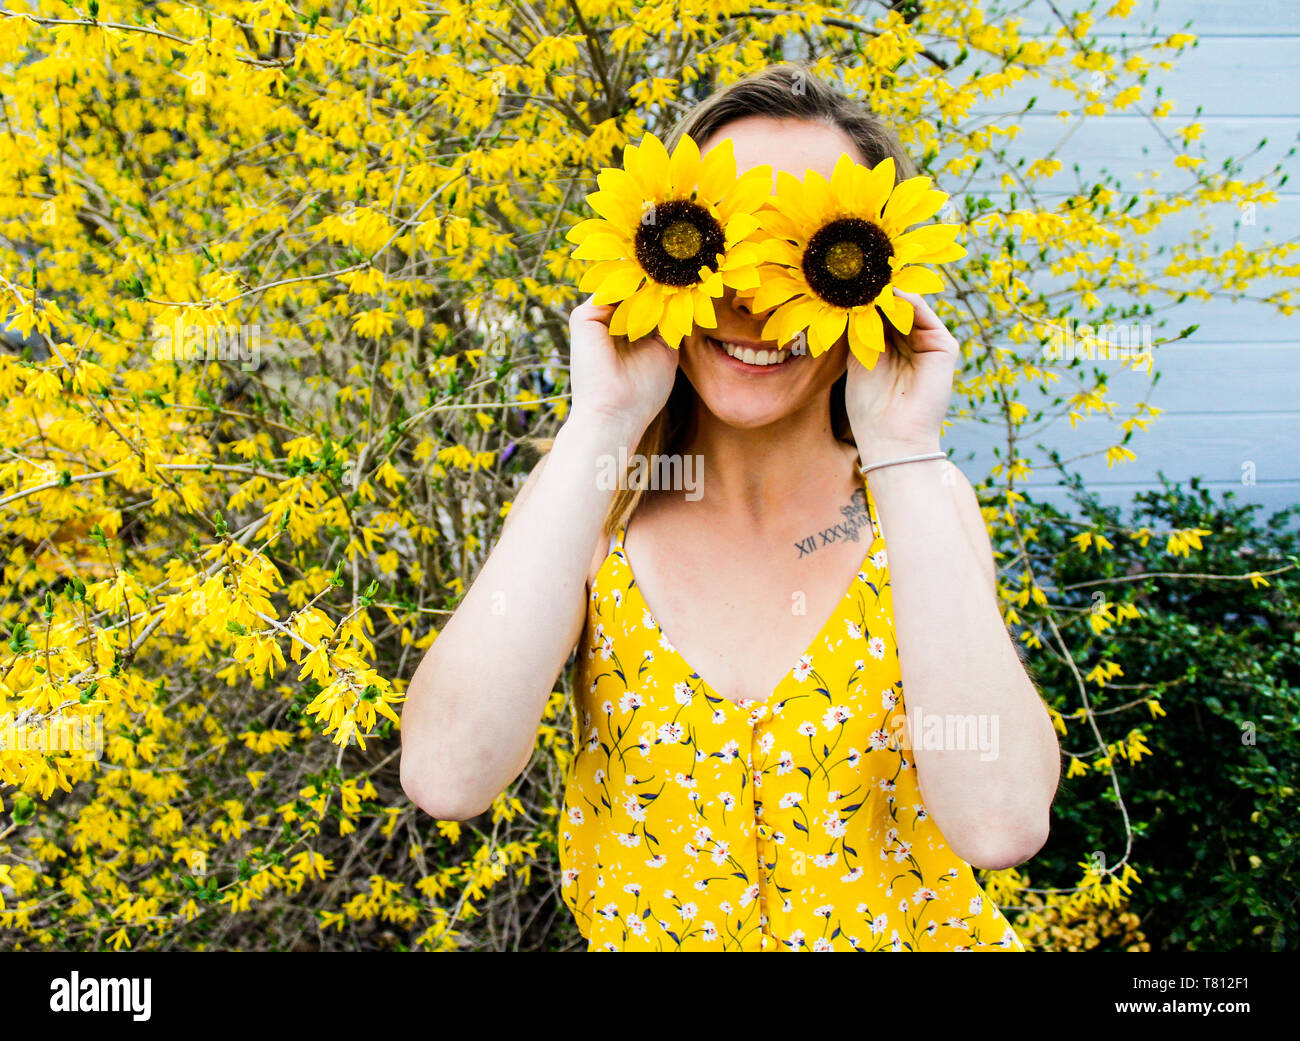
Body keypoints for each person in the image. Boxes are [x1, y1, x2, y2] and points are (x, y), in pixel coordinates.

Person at [400, 65, 1061, 951]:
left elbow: (1001, 824)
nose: (755, 300)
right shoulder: (593, 503)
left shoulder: (922, 504)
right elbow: (448, 775)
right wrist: (602, 420)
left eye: (810, 249)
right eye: (724, 237)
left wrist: (902, 445)